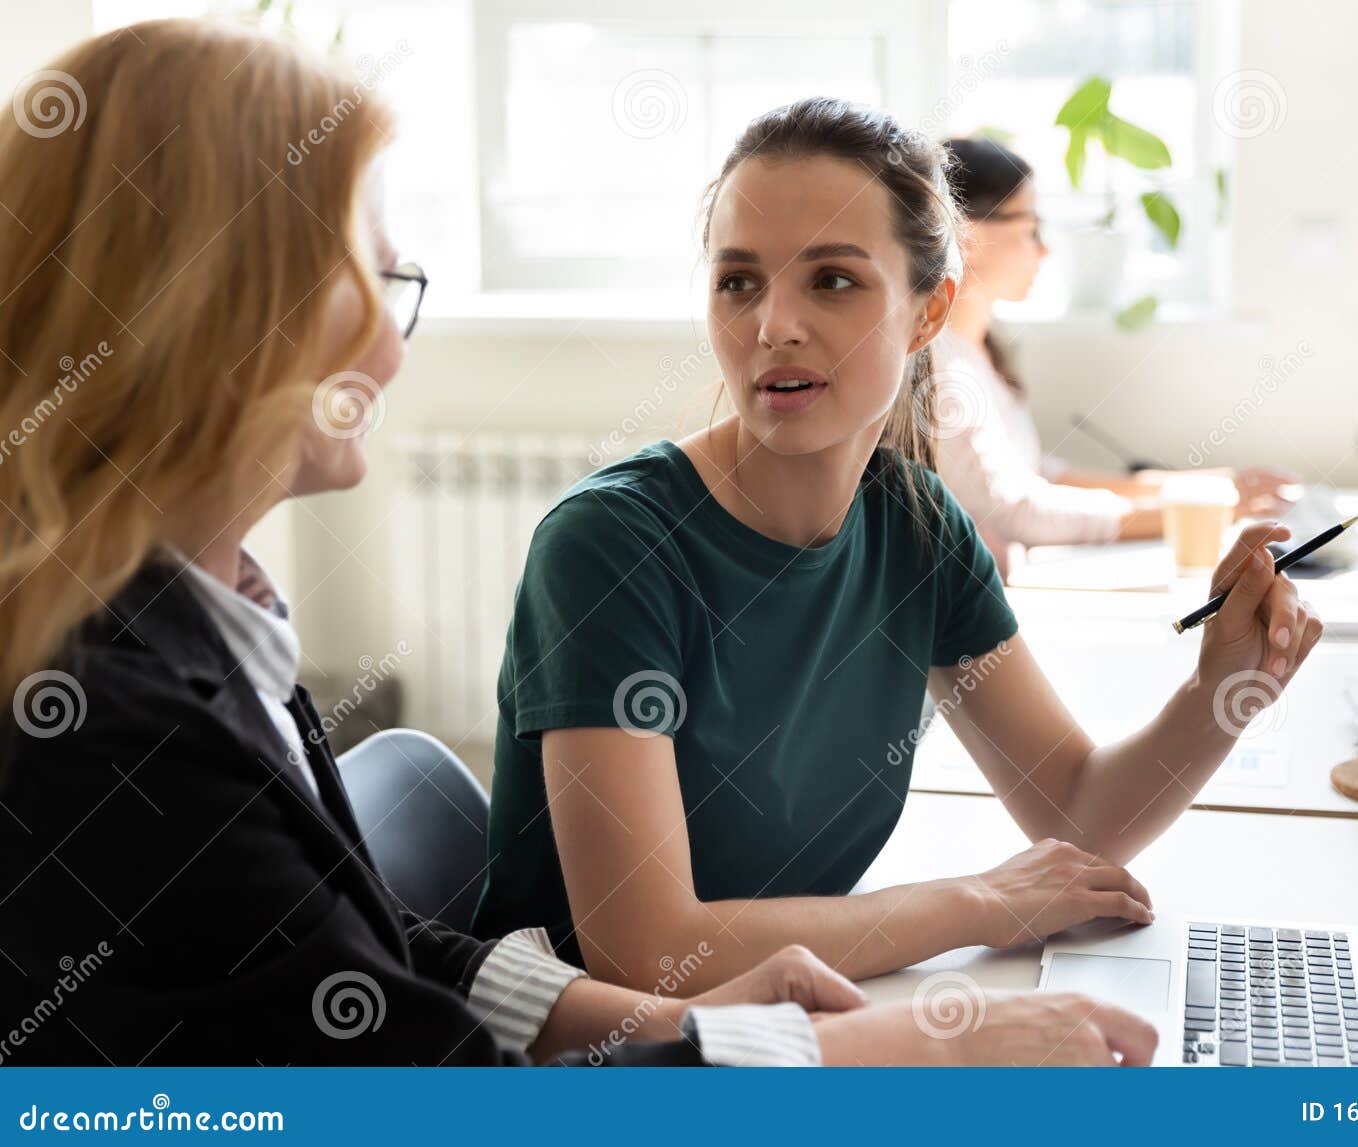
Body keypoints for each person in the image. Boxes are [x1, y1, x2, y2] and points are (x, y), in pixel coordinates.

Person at [0, 21, 1156, 1068]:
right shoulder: (112, 732)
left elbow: (381, 957)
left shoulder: (198, 635)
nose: (394, 350)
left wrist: (696, 1028)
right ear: (212, 309)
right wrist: (888, 1050)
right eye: (373, 280)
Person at [477, 98, 1323, 998]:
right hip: (600, 1058)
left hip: (783, 1026)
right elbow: (646, 951)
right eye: (739, 281)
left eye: (832, 280)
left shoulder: (916, 525)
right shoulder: (609, 547)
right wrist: (972, 903)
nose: (773, 324)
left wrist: (1222, 689)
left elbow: (1076, 814)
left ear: (929, 313)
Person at [934, 135, 1295, 580]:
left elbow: (1036, 474)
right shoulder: (943, 371)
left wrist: (1209, 485)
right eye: (1031, 229)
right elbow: (1017, 513)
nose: (1044, 249)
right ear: (967, 236)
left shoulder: (978, 350)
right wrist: (1208, 510)